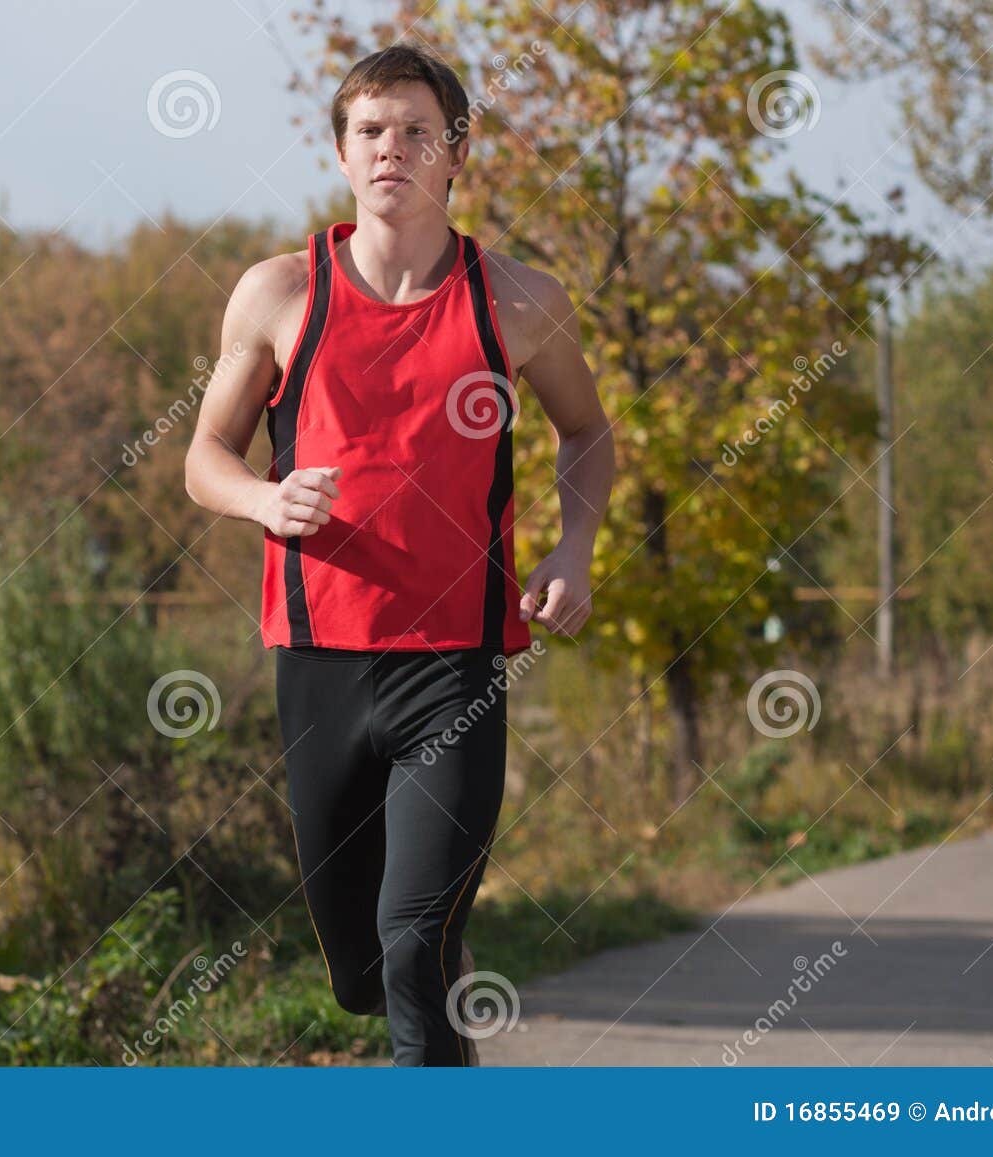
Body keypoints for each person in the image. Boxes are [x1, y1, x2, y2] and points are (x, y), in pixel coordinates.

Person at [184, 41, 614, 1066]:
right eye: (371, 130)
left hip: (454, 666)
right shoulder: (281, 293)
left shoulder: (516, 301)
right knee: (363, 967)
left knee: (412, 936)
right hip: (318, 662)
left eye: (418, 130)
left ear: (455, 152)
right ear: (342, 152)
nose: (393, 149)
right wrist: (263, 498)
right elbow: (204, 456)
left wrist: (576, 546)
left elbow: (588, 431)